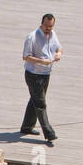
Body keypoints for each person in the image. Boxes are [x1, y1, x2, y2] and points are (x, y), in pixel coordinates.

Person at [22, 13, 61, 146]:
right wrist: (41, 61)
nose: (48, 29)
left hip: (46, 74)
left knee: (35, 99)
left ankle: (26, 127)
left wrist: (58, 54)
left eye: (50, 26)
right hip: (33, 74)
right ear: (41, 24)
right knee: (40, 104)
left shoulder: (53, 34)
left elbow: (59, 48)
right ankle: (49, 133)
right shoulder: (32, 37)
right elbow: (26, 56)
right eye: (46, 26)